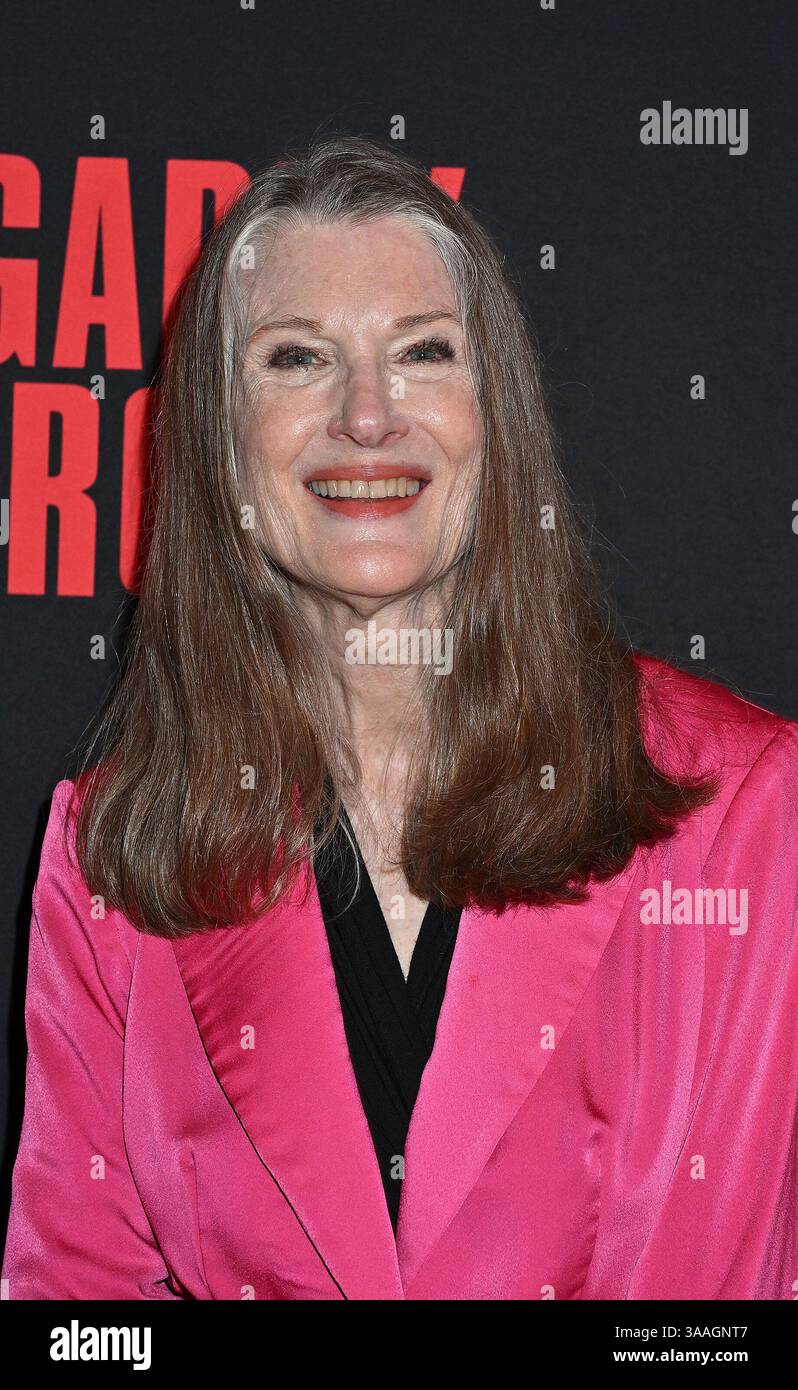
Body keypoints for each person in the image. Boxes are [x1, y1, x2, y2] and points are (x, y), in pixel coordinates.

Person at [3, 134, 797, 1301]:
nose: (366, 416)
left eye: (422, 352)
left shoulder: (740, 808)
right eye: (296, 359)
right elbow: (79, 1315)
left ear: (499, 416)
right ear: (220, 444)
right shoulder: (114, 850)